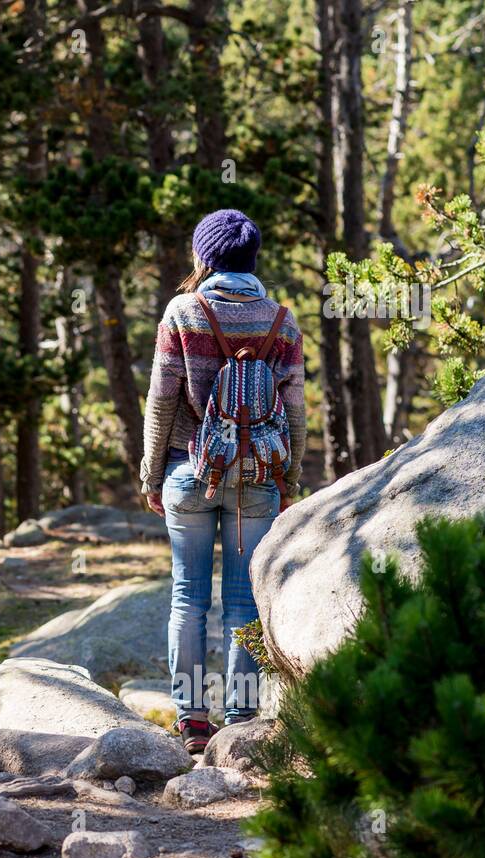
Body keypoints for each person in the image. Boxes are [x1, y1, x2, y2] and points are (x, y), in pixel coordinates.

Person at [139, 209, 306, 755]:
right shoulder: (281, 322)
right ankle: (240, 720)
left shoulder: (184, 311)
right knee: (243, 604)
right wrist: (290, 475)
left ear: (204, 258)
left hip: (189, 473)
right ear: (253, 258)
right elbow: (296, 410)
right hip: (256, 477)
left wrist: (150, 471)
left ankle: (191, 720)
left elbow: (162, 401)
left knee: (187, 598)